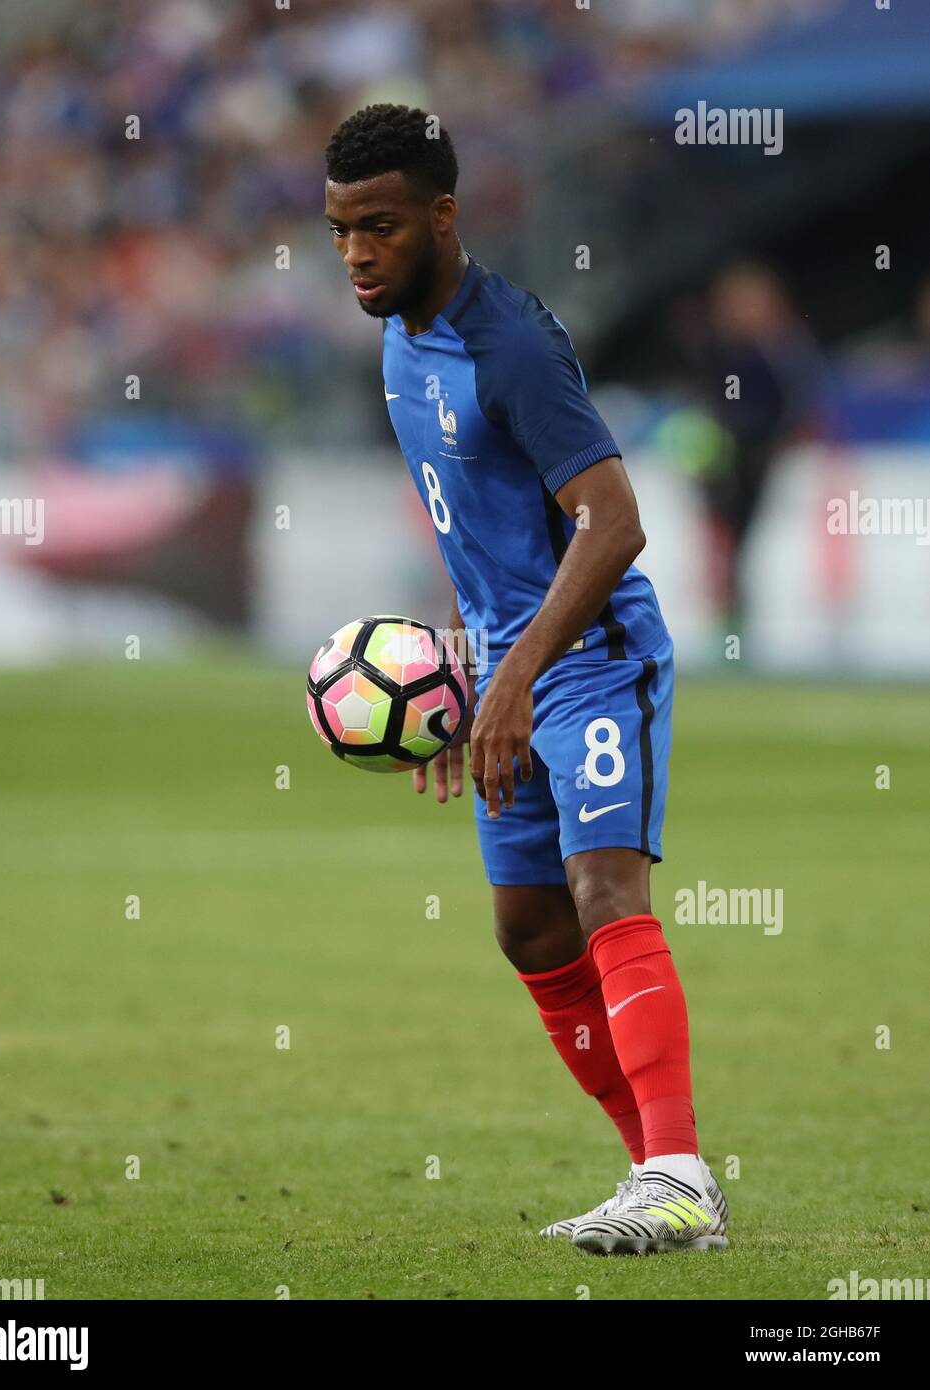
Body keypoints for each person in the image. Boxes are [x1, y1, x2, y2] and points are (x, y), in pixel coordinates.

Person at [324, 104, 728, 1255]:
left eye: (381, 227)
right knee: (530, 931)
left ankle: (683, 1171)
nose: (357, 252)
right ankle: (652, 1174)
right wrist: (465, 669)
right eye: (341, 230)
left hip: (592, 655)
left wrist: (516, 678)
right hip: (508, 663)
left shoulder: (510, 347)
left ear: (443, 218)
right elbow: (476, 530)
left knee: (606, 894)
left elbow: (614, 523)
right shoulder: (401, 340)